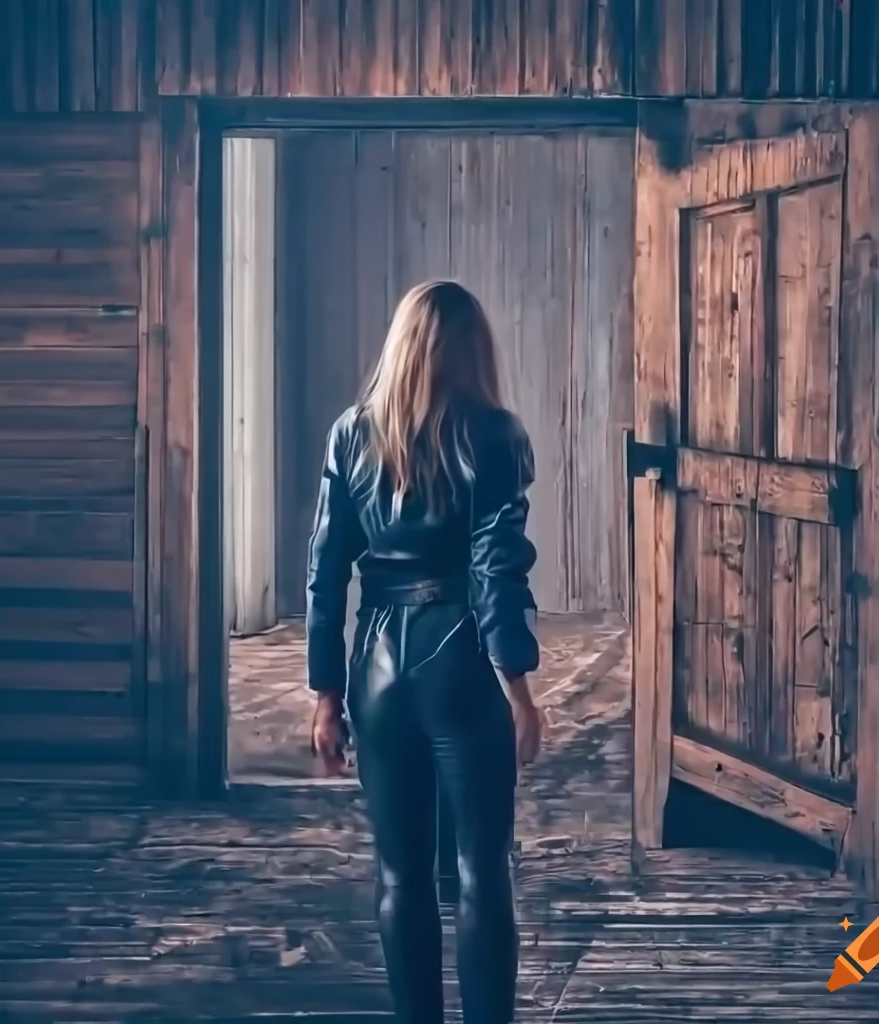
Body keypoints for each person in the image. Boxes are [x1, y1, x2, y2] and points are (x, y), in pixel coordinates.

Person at [305, 280, 544, 1024]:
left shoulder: (351, 432)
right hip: (461, 661)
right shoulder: (494, 434)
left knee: (400, 874)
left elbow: (324, 571)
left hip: (377, 663)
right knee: (480, 872)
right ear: (474, 348)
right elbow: (495, 568)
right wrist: (520, 692)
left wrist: (326, 692)